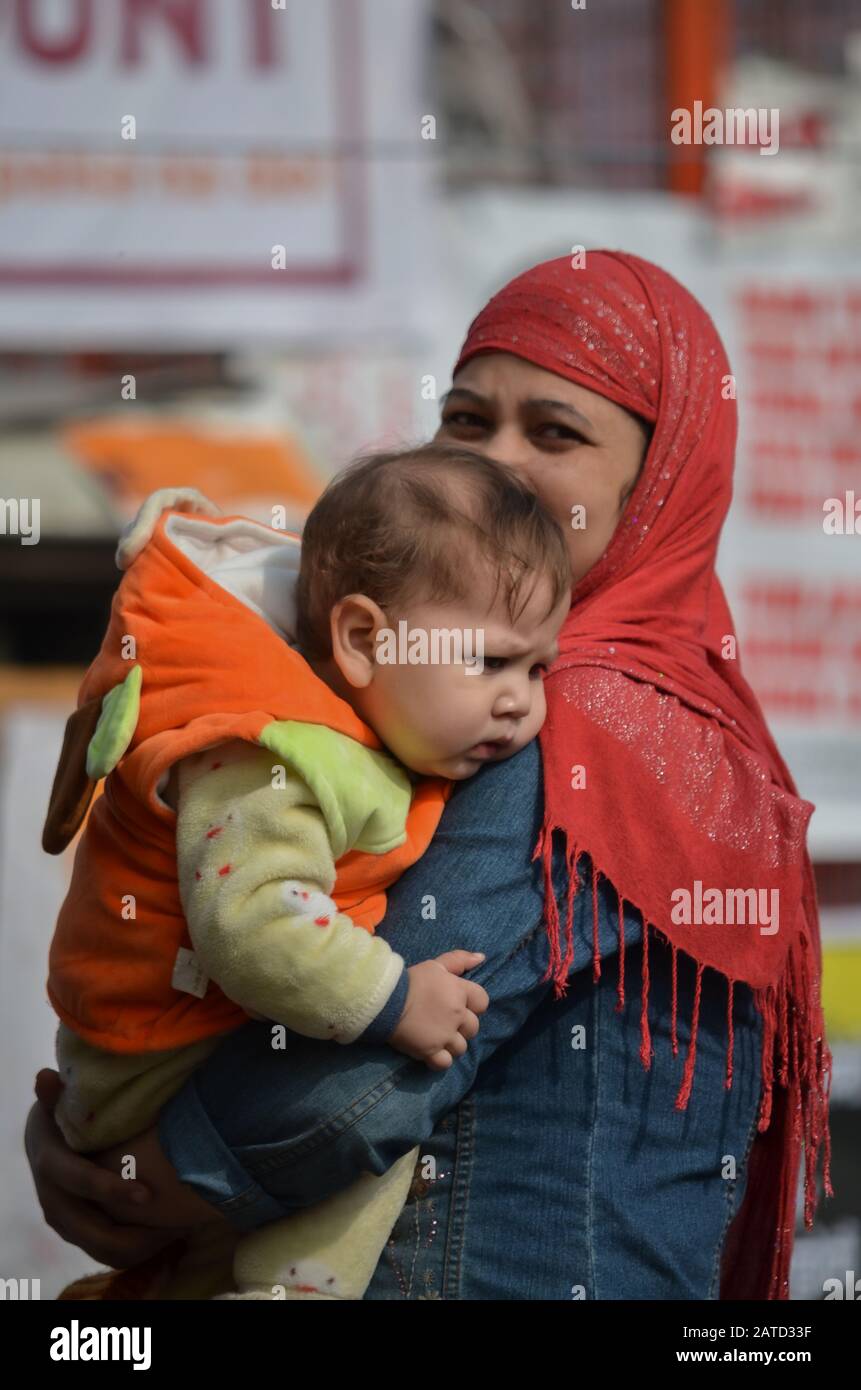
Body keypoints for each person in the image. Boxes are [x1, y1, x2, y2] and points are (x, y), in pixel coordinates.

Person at [26, 250, 832, 1300]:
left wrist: (129, 1169)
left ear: (659, 479)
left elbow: (354, 1072)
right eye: (465, 421)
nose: (497, 464)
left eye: (554, 432)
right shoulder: (672, 709)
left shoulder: (575, 719)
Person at [40, 444, 570, 1299]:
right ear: (362, 639)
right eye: (489, 662)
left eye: (538, 667)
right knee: (375, 1142)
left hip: (167, 1054)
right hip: (152, 1058)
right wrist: (397, 1000)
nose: (522, 702)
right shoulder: (269, 751)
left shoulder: (346, 721)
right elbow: (253, 922)